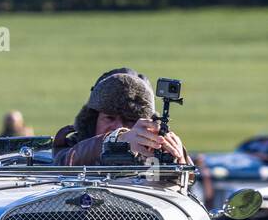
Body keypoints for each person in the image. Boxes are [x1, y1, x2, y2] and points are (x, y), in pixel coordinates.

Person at [51, 68, 187, 166]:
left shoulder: (157, 149)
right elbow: (62, 162)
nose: (119, 127)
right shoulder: (73, 147)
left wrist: (179, 159)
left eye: (131, 120)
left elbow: (182, 190)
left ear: (148, 126)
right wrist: (115, 141)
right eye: (109, 118)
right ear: (92, 121)